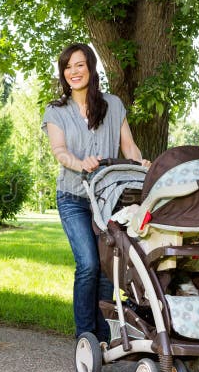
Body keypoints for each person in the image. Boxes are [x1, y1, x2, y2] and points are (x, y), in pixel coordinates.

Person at [42, 43, 150, 343]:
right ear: (63, 73)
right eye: (67, 67)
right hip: (73, 197)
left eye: (79, 65)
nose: (73, 72)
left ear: (90, 67)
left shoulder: (113, 104)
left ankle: (104, 337)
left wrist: (139, 162)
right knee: (88, 263)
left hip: (108, 199)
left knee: (106, 269)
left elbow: (127, 145)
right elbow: (59, 151)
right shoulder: (56, 110)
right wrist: (81, 164)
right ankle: (86, 335)